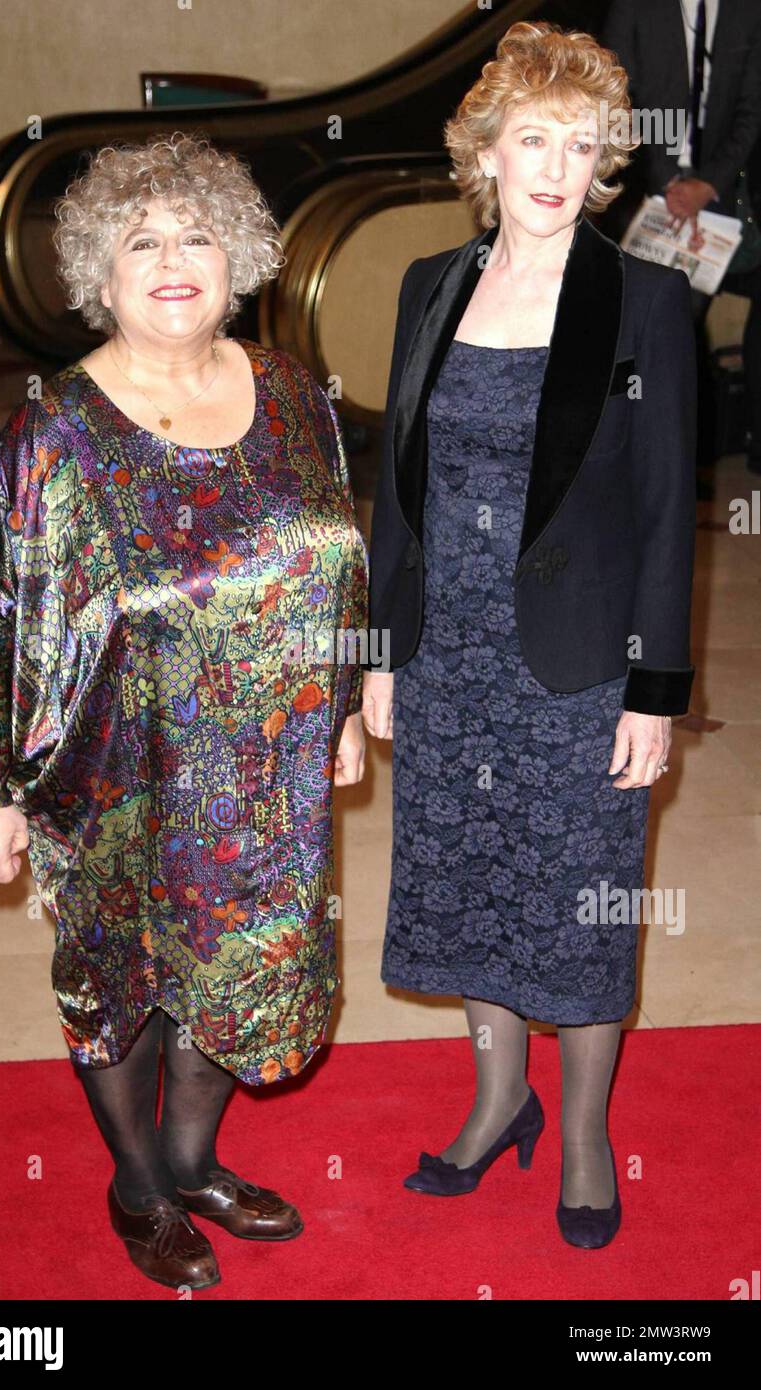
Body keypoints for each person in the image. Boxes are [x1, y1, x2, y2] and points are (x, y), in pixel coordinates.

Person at [0, 131, 368, 1291]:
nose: (173, 261)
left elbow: (336, 556)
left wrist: (331, 707)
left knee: (232, 970)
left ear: (238, 258)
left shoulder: (291, 392)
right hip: (121, 768)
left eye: (195, 237)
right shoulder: (60, 427)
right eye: (142, 241)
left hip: (268, 768)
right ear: (101, 271)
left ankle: (193, 1161)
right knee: (128, 980)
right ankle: (138, 1182)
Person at [363, 20, 697, 1249]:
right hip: (448, 651)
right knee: (469, 880)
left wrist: (653, 692)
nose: (557, 167)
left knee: (582, 900)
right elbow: (399, 489)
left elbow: (668, 510)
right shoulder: (429, 288)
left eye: (582, 145)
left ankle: (588, 1128)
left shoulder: (646, 302)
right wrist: (383, 660)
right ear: (485, 154)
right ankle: (498, 1101)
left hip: (578, 662)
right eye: (533, 140)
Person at [602, 0, 761, 473]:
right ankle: (666, 458)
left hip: (722, 190)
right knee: (670, 324)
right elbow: (615, 100)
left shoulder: (747, 9)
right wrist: (671, 181)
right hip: (649, 188)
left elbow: (752, 110)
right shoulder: (633, 7)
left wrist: (706, 183)